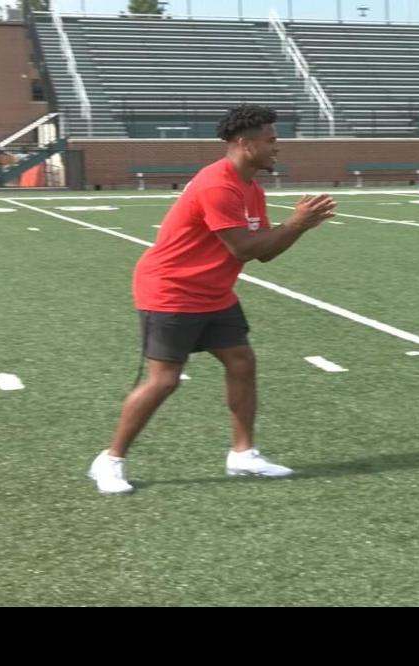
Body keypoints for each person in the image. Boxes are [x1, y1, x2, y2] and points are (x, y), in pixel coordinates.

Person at [88, 104, 337, 494]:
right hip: (171, 290)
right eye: (271, 140)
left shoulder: (250, 187)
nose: (277, 148)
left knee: (241, 362)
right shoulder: (217, 184)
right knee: (165, 380)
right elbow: (242, 248)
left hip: (213, 291)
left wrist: (299, 228)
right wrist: (296, 223)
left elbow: (265, 251)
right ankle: (110, 460)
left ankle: (242, 454)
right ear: (244, 143)